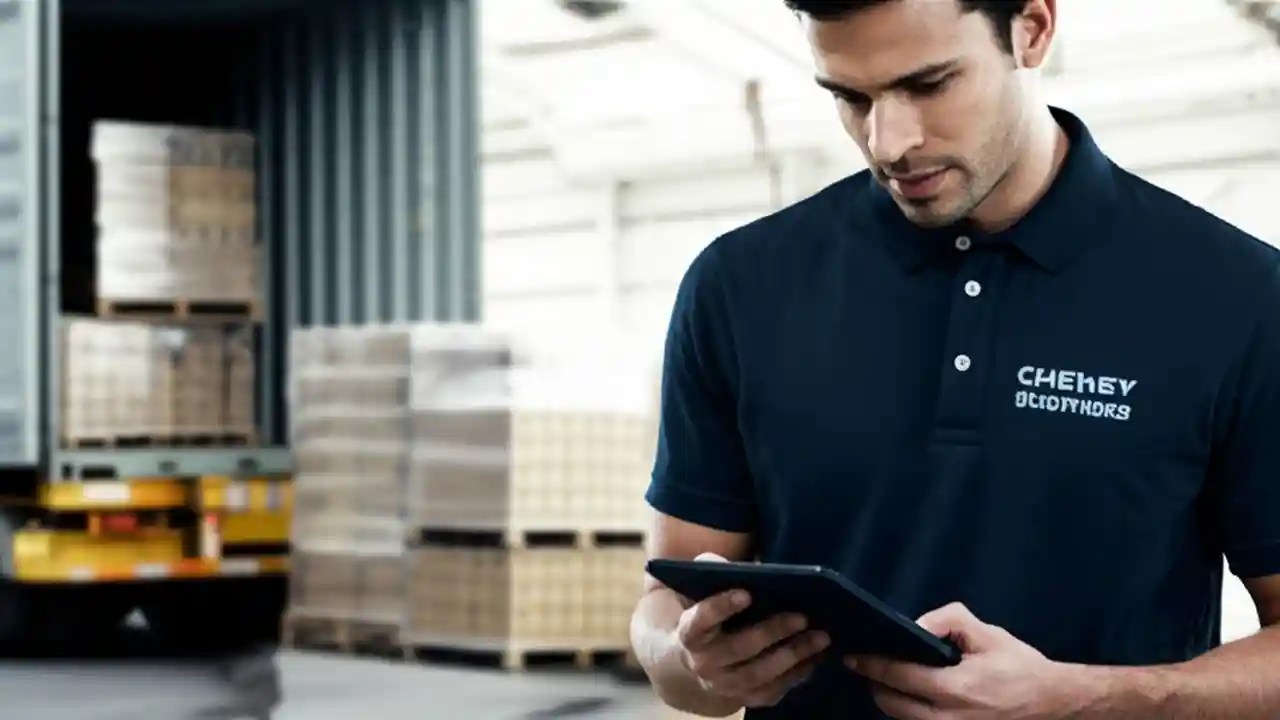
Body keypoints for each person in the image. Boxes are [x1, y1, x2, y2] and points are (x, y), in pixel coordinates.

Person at [628, 0, 1280, 718]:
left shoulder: (1236, 297)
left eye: (929, 84)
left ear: (1031, 29)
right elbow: (665, 607)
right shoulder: (739, 286)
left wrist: (1087, 700)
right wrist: (693, 661)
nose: (889, 142)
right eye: (850, 97)